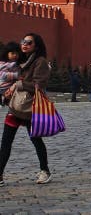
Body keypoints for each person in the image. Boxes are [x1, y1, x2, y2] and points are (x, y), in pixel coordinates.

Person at [0, 33, 53, 185]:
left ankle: (45, 171)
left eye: (29, 42)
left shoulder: (40, 62)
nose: (24, 44)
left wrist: (18, 84)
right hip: (16, 107)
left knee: (36, 139)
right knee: (6, 142)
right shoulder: (21, 61)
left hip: (30, 109)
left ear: (36, 45)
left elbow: (39, 86)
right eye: (23, 41)